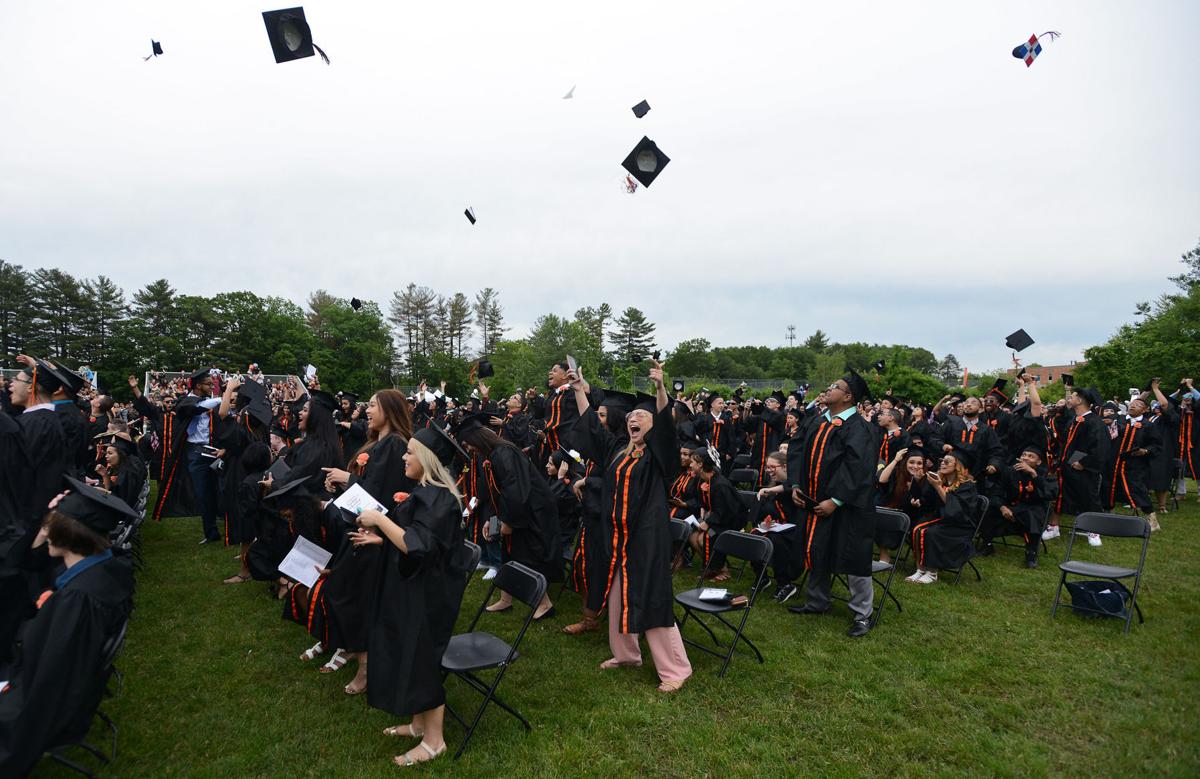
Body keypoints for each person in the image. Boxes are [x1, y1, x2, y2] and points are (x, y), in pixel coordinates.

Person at [566, 361, 692, 692]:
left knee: (651, 597)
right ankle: (626, 655)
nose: (633, 418)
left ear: (653, 425)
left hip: (646, 538)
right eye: (631, 416)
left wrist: (661, 388)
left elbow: (666, 427)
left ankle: (675, 669)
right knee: (618, 593)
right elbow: (592, 427)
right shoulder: (619, 451)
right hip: (617, 537)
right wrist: (579, 390)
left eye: (642, 415)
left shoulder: (658, 455)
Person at [0, 479, 136, 777]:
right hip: (49, 686)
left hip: (33, 703)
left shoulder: (78, 601)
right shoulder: (102, 571)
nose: (45, 533)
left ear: (69, 535)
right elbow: (25, 560)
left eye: (50, 528)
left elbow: (45, 680)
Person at [352, 425, 471, 768]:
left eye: (409, 452)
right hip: (413, 587)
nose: (403, 457)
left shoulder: (439, 500)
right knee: (411, 653)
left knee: (422, 659)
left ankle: (435, 741)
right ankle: (419, 725)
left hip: (430, 595)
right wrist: (382, 539)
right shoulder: (424, 491)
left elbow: (418, 546)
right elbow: (412, 536)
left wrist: (379, 521)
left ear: (427, 459)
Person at [316, 390, 416, 695]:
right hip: (360, 530)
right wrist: (340, 486)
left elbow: (383, 496)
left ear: (390, 409)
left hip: (375, 536)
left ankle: (366, 664)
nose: (366, 410)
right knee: (345, 593)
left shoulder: (395, 445)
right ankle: (356, 651)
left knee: (355, 599)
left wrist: (347, 479)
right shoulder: (378, 443)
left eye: (372, 405)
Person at [785, 371, 878, 638]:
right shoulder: (817, 421)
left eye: (835, 386)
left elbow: (858, 468)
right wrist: (796, 485)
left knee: (853, 556)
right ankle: (817, 601)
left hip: (848, 506)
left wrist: (836, 500)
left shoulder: (860, 428)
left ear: (847, 397)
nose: (828, 388)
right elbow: (796, 451)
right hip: (813, 500)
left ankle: (863, 614)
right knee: (818, 548)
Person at [456, 414, 561, 620]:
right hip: (517, 508)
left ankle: (545, 604)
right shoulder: (493, 455)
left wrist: (508, 522)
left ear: (478, 439)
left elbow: (515, 491)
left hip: (532, 510)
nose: (469, 449)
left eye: (469, 444)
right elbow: (497, 492)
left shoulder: (504, 453)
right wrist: (493, 519)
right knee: (509, 552)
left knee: (524, 555)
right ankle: (506, 599)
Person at [151, 368, 222, 541]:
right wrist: (224, 397)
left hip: (214, 450)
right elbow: (197, 408)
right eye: (208, 384)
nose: (212, 386)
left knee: (219, 488)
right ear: (198, 386)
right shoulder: (185, 403)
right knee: (203, 492)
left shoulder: (210, 401)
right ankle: (211, 532)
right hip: (196, 453)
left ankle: (225, 523)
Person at [1043, 387, 1108, 547]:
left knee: (1088, 498)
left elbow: (1099, 447)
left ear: (1079, 401)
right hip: (1067, 465)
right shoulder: (1074, 419)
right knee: (1061, 496)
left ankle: (1093, 531)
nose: (1068, 400)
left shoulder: (1094, 422)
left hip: (1083, 468)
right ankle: (1054, 527)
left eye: (1071, 397)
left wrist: (1083, 463)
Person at [907, 449, 982, 584]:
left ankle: (932, 573)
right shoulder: (940, 480)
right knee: (916, 528)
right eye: (942, 461)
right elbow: (927, 502)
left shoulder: (967, 486)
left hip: (960, 525)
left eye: (947, 462)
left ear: (957, 466)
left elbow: (957, 510)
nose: (942, 463)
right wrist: (918, 482)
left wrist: (938, 487)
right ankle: (920, 569)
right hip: (941, 520)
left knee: (931, 533)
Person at [981, 445, 1057, 567]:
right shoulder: (1010, 471)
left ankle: (1031, 553)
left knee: (1032, 516)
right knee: (988, 509)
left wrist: (1033, 474)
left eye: (1031, 456)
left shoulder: (1045, 474)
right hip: (1012, 507)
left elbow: (1050, 494)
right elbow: (996, 492)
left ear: (1038, 462)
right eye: (1023, 455)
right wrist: (1002, 507)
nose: (1025, 458)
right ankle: (987, 546)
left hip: (1034, 508)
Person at [749, 451, 804, 603]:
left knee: (776, 541)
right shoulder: (772, 487)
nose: (769, 471)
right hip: (778, 528)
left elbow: (789, 487)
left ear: (785, 467)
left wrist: (772, 491)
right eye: (767, 467)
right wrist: (764, 523)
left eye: (772, 467)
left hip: (797, 530)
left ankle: (784, 583)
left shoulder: (796, 485)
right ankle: (762, 577)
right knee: (754, 535)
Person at [685, 446, 746, 582]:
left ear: (700, 464)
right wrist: (702, 518)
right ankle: (713, 566)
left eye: (693, 462)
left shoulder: (720, 485)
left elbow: (726, 512)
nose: (690, 464)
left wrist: (707, 523)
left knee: (705, 537)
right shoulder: (702, 480)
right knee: (693, 536)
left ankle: (720, 569)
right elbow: (702, 503)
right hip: (714, 518)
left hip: (729, 522)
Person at [1102, 396, 1161, 530]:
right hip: (1113, 461)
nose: (1133, 406)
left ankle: (1151, 519)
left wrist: (1145, 450)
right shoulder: (1119, 420)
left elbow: (1156, 444)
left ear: (1145, 410)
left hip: (1134, 463)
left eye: (1138, 405)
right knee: (1108, 487)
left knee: (1137, 489)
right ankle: (1108, 515)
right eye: (1132, 404)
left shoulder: (1148, 425)